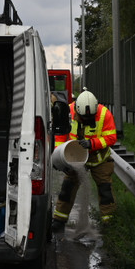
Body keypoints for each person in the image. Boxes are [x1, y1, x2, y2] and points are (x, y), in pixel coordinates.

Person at [53, 89, 118, 225]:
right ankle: (59, 219)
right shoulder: (67, 111)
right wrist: (59, 158)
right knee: (68, 188)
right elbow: (59, 135)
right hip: (74, 157)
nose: (87, 120)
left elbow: (111, 138)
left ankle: (109, 222)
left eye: (90, 117)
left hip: (99, 158)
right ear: (77, 110)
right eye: (84, 118)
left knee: (105, 189)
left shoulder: (104, 114)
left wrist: (92, 143)